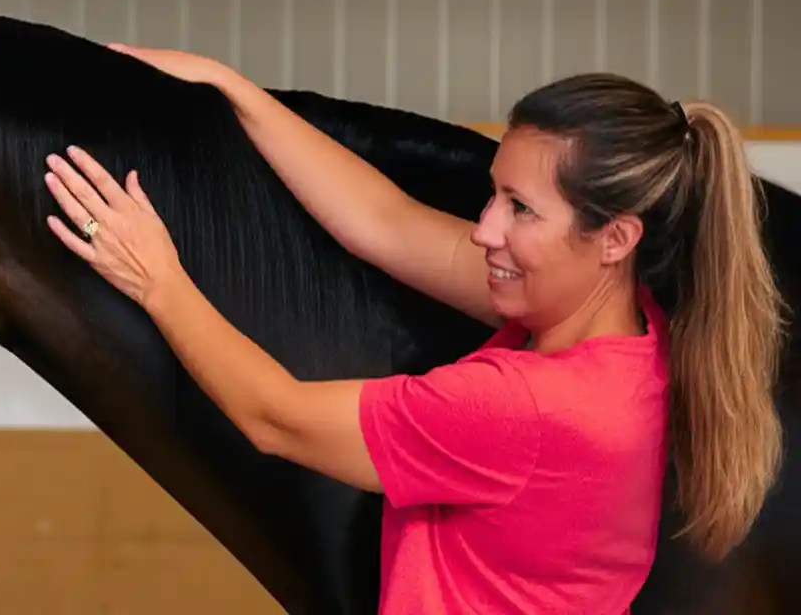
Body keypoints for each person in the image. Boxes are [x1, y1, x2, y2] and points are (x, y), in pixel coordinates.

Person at [40, 44, 785, 614]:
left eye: (521, 209)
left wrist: (157, 278)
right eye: (494, 194)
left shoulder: (522, 408)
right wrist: (232, 87)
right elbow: (387, 224)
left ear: (615, 239)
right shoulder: (623, 335)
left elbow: (275, 418)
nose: (487, 229)